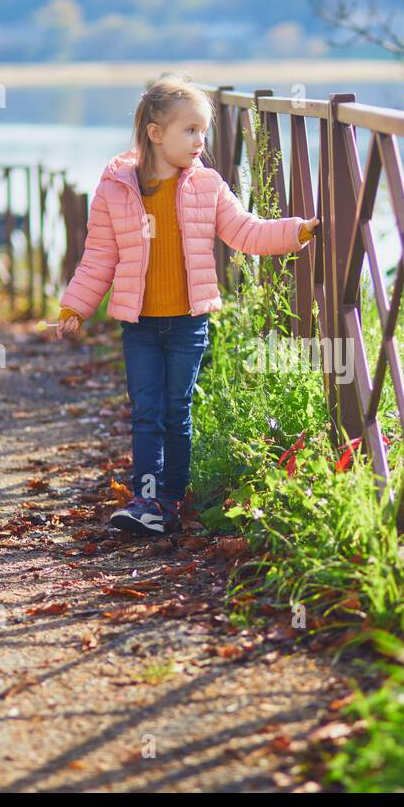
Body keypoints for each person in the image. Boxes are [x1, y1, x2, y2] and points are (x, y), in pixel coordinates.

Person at [54, 72, 320, 536]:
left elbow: (247, 231)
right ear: (156, 134)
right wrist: (75, 306)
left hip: (187, 323)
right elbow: (99, 256)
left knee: (176, 412)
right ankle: (145, 500)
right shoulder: (115, 188)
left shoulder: (208, 186)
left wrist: (297, 230)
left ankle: (171, 502)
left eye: (204, 129)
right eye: (190, 130)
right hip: (139, 325)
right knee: (146, 411)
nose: (201, 140)